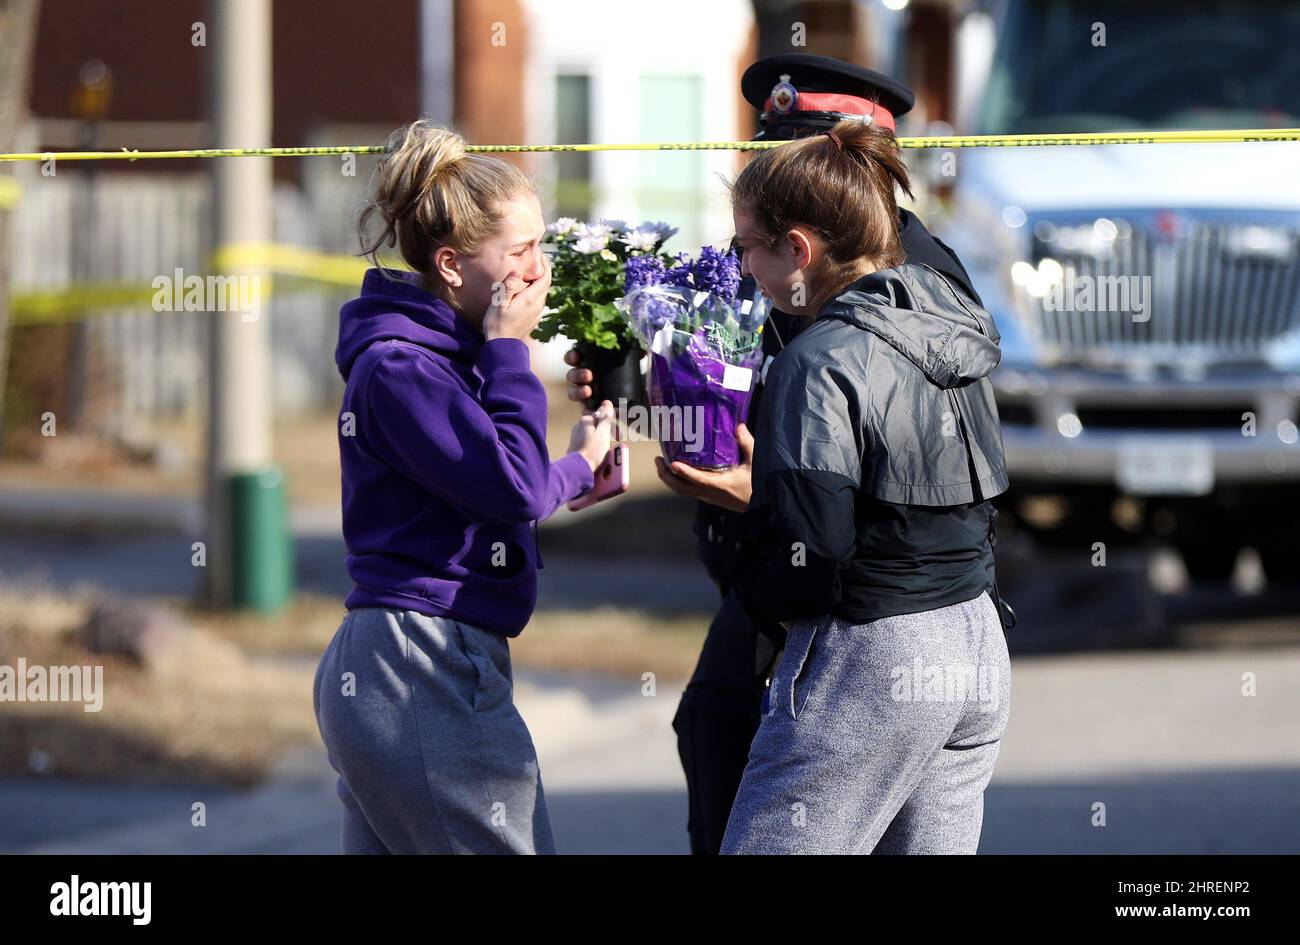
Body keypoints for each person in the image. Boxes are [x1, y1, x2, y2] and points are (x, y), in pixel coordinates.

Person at [564, 54, 1001, 855]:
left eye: (799, 157)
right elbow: (721, 373)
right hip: (919, 613)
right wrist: (627, 379)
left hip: (845, 605)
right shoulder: (839, 279)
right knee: (715, 729)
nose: (743, 263)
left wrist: (764, 494)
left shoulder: (905, 282)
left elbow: (862, 501)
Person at [313, 120, 613, 854]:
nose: (539, 271)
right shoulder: (400, 369)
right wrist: (510, 350)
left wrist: (579, 467)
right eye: (520, 253)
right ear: (450, 265)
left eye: (541, 247)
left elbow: (496, 484)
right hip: (418, 665)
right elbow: (510, 485)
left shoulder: (449, 357)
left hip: (420, 661)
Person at [719, 118, 1011, 854]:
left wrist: (754, 526)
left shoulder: (816, 361)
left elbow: (808, 559)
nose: (742, 264)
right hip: (977, 643)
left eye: (748, 244)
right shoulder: (954, 331)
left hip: (875, 654)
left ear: (800, 250)